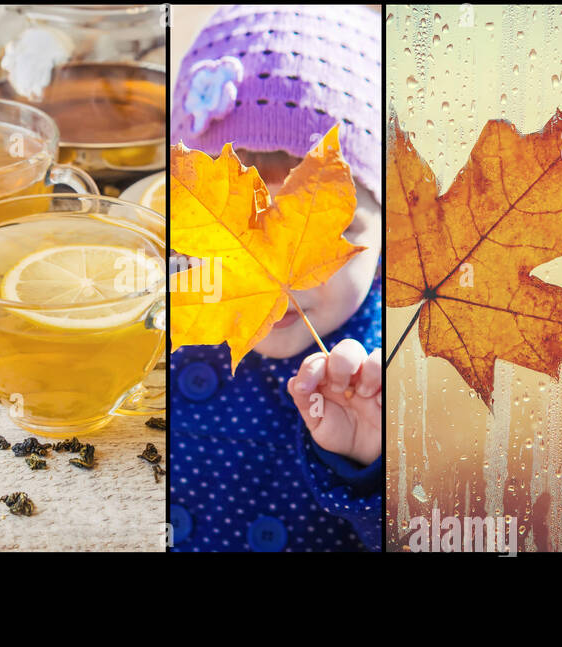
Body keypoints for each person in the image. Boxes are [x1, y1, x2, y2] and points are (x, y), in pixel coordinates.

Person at [169, 5, 381, 551]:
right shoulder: (162, 320)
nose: (278, 277)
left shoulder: (388, 374)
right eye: (245, 226)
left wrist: (371, 465)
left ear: (388, 237)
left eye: (337, 225)